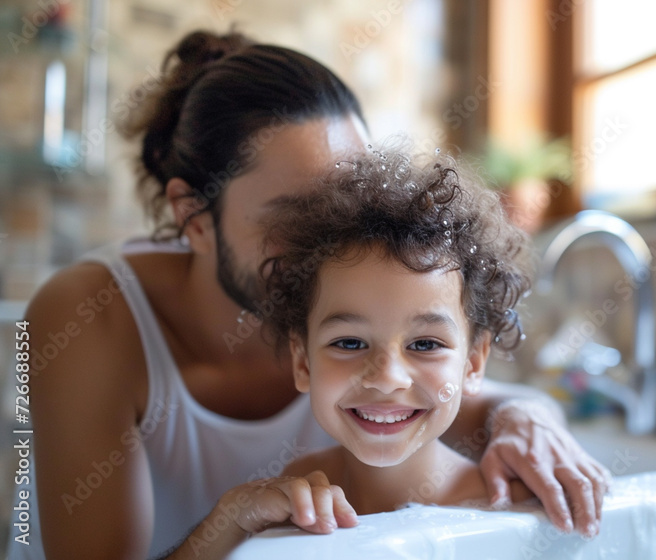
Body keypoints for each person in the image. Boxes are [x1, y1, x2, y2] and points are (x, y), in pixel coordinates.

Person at [19, 29, 608, 560]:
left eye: (346, 205)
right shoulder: (87, 313)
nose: (331, 245)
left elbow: (464, 387)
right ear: (194, 217)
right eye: (293, 218)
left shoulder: (355, 320)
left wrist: (527, 414)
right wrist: (229, 523)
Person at [198, 146, 542, 558]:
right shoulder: (295, 494)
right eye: (349, 343)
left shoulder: (513, 508)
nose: (385, 376)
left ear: (473, 362)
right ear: (303, 360)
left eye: (425, 344)